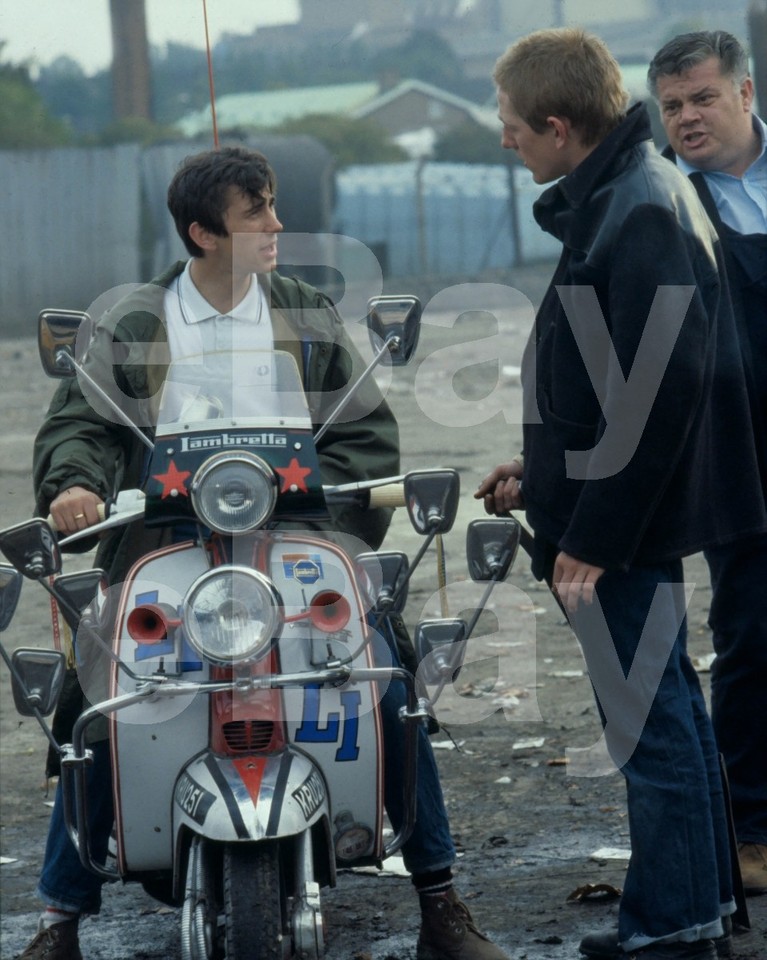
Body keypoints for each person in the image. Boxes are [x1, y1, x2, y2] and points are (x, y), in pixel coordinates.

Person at [19, 146, 509, 960]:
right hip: (165, 545)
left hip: (297, 542)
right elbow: (81, 421)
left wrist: (327, 508)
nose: (278, 224)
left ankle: (440, 901)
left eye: (274, 205)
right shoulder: (134, 321)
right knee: (100, 698)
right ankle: (58, 917)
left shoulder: (304, 313)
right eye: (257, 212)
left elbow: (362, 428)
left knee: (387, 684)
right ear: (203, 234)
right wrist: (74, 483)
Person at [477, 27, 767, 960]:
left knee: (652, 726)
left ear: (558, 126)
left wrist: (593, 536)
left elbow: (663, 389)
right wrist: (541, 472)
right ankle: (696, 911)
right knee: (667, 711)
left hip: (621, 530)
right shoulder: (625, 195)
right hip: (616, 513)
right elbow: (610, 381)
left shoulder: (634, 208)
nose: (505, 137)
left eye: (512, 123)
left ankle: (672, 929)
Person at [647, 29, 767, 898]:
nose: (686, 118)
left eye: (701, 98)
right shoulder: (664, 203)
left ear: (745, 93)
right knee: (752, 636)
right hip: (740, 457)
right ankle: (752, 828)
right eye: (671, 107)